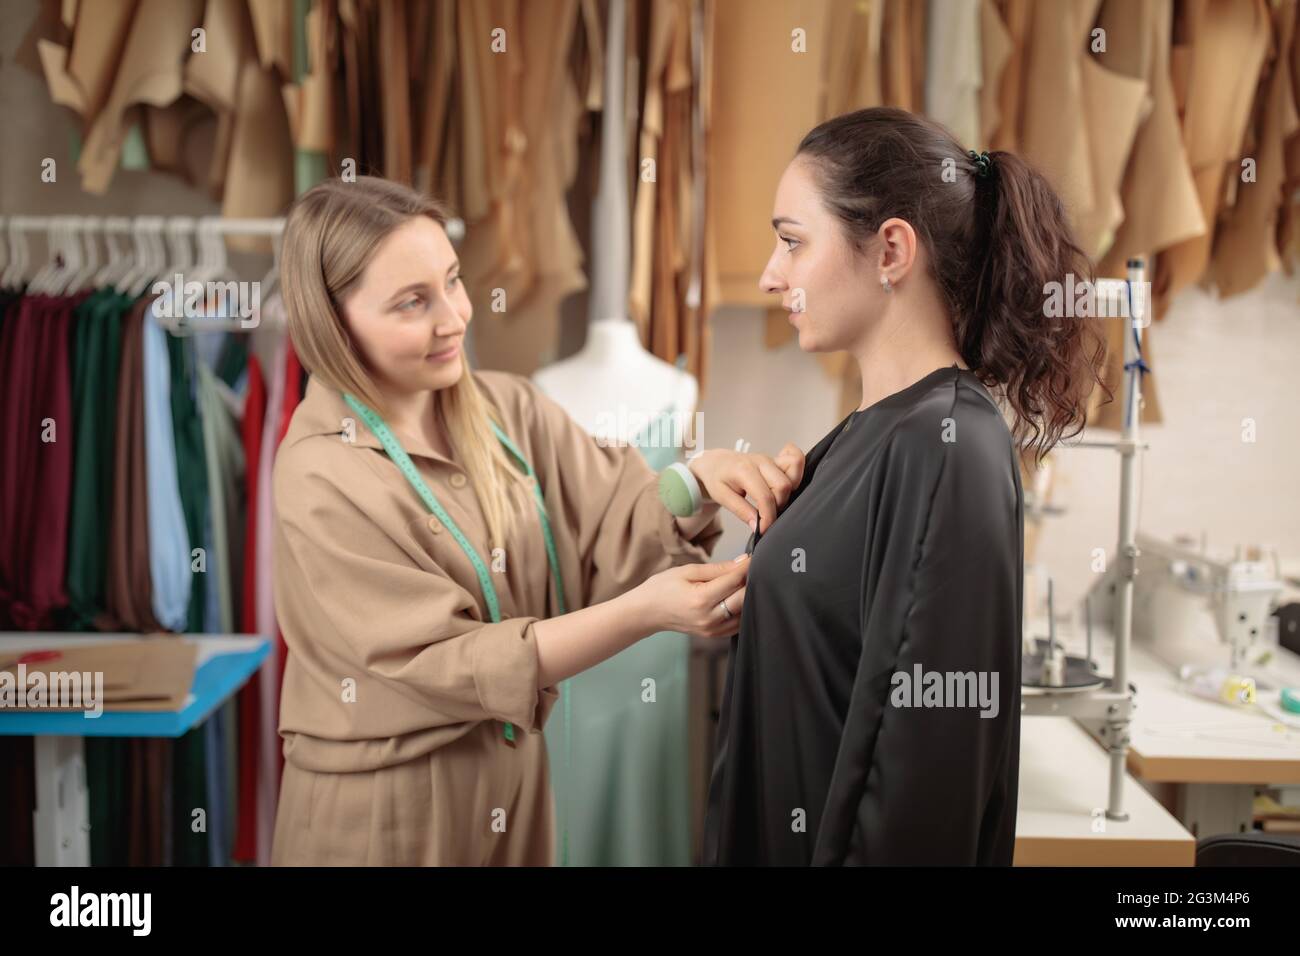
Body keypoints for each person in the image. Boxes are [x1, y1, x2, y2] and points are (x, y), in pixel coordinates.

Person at [269, 176, 803, 865]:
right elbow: (445, 661)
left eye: (454, 281)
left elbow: (609, 514)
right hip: (386, 818)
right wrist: (646, 613)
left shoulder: (504, 410)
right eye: (413, 302)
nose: (454, 317)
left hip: (514, 793)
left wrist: (694, 479)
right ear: (332, 322)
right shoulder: (321, 474)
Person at [702, 107, 1108, 865]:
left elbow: (923, 783)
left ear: (890, 249)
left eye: (792, 241)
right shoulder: (868, 434)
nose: (769, 274)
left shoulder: (945, 446)